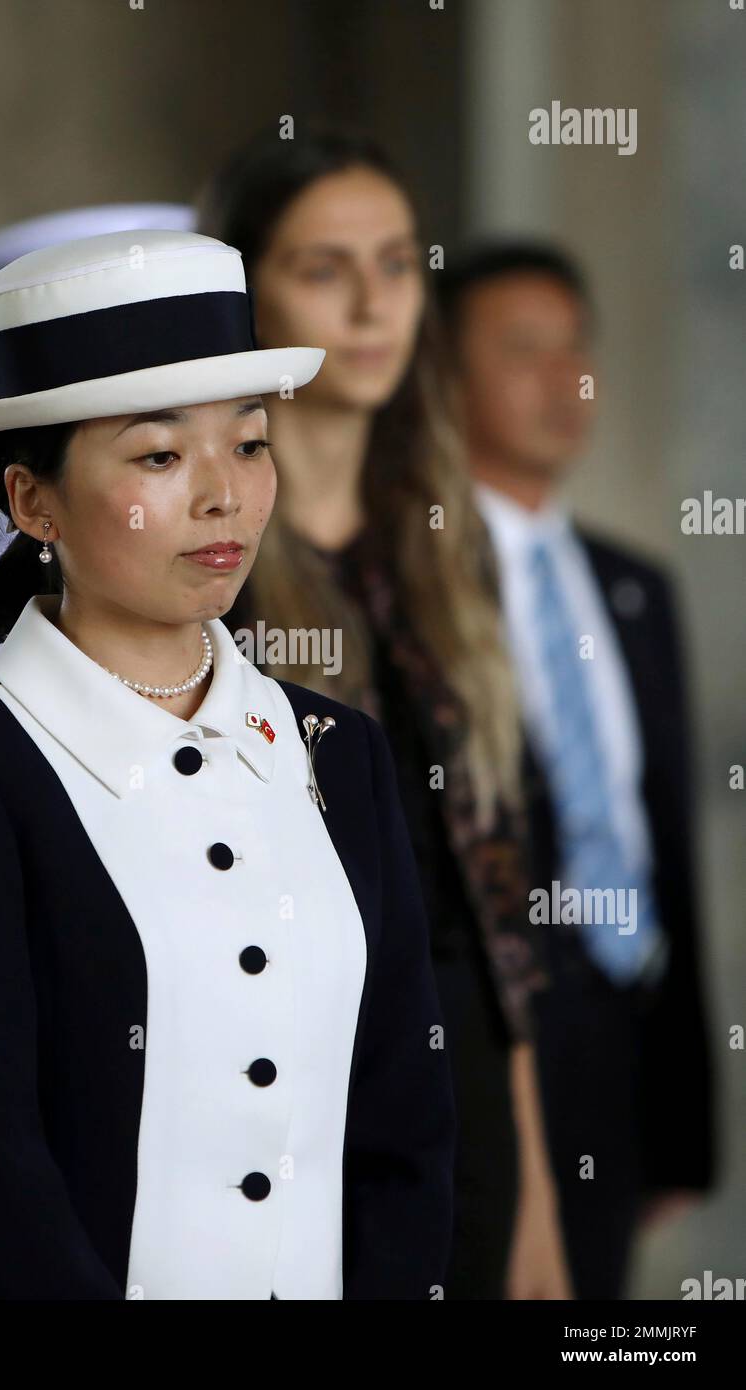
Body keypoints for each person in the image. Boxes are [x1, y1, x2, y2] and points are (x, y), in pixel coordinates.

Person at [0, 227, 455, 1301]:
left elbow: (403, 1129)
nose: (222, 494)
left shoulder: (343, 755)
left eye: (249, 442)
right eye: (157, 455)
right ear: (32, 501)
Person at [197, 128, 570, 1299]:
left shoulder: (450, 547)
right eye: (323, 268)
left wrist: (539, 1191)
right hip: (284, 1088)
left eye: (398, 263)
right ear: (244, 286)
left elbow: (494, 907)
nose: (370, 306)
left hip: (462, 1078)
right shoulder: (210, 562)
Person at [437, 240, 717, 1298]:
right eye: (522, 350)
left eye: (576, 350)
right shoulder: (413, 577)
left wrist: (683, 1120)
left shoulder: (632, 585)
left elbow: (663, 851)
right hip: (484, 1046)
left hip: (619, 1045)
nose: (564, 382)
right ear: (443, 379)